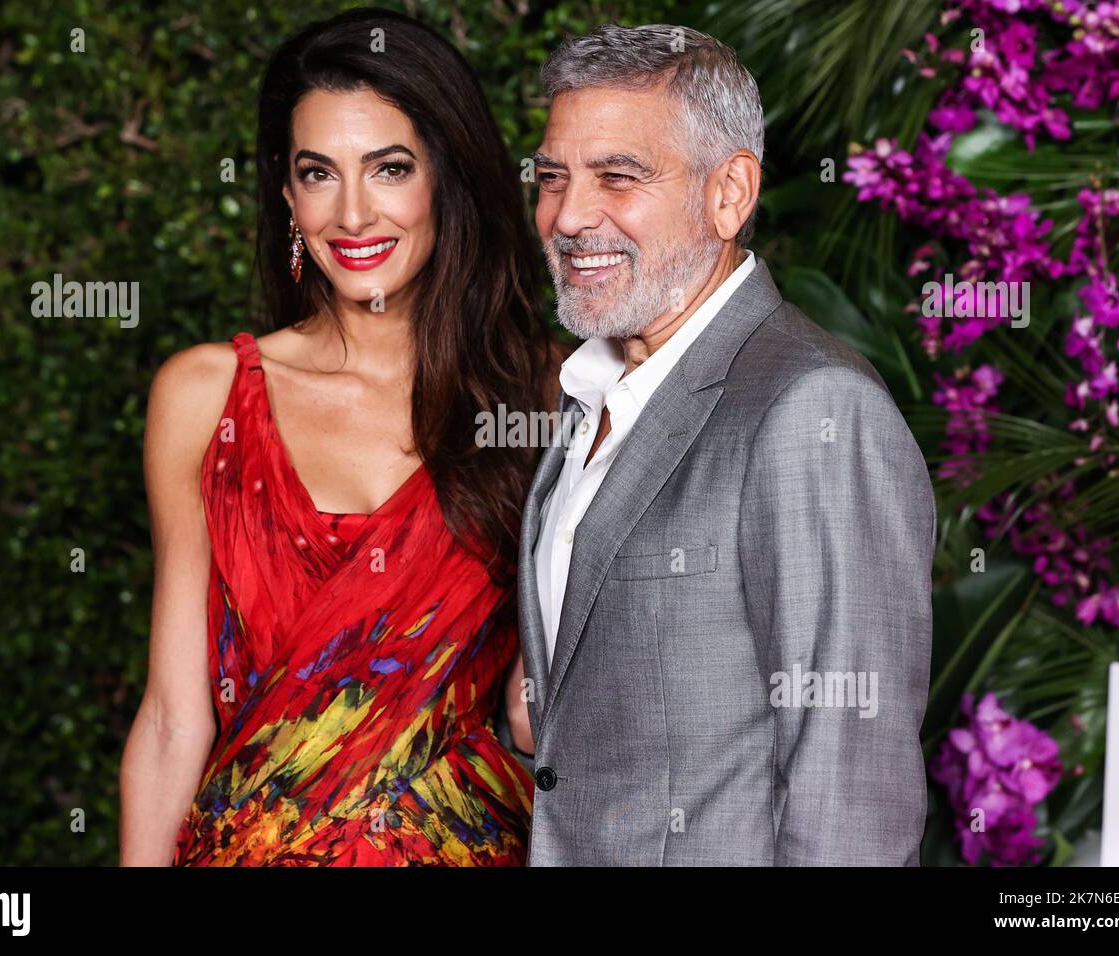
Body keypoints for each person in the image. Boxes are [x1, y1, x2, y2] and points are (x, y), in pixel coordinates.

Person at [120, 8, 556, 866]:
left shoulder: (550, 392)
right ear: (287, 196)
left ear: (447, 179)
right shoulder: (205, 397)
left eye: (389, 168)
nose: (353, 214)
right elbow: (174, 716)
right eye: (319, 174)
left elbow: (557, 701)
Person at [517, 23, 936, 865]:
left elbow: (850, 795)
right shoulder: (591, 390)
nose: (568, 215)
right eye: (554, 177)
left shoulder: (811, 408)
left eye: (618, 177)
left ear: (730, 193)